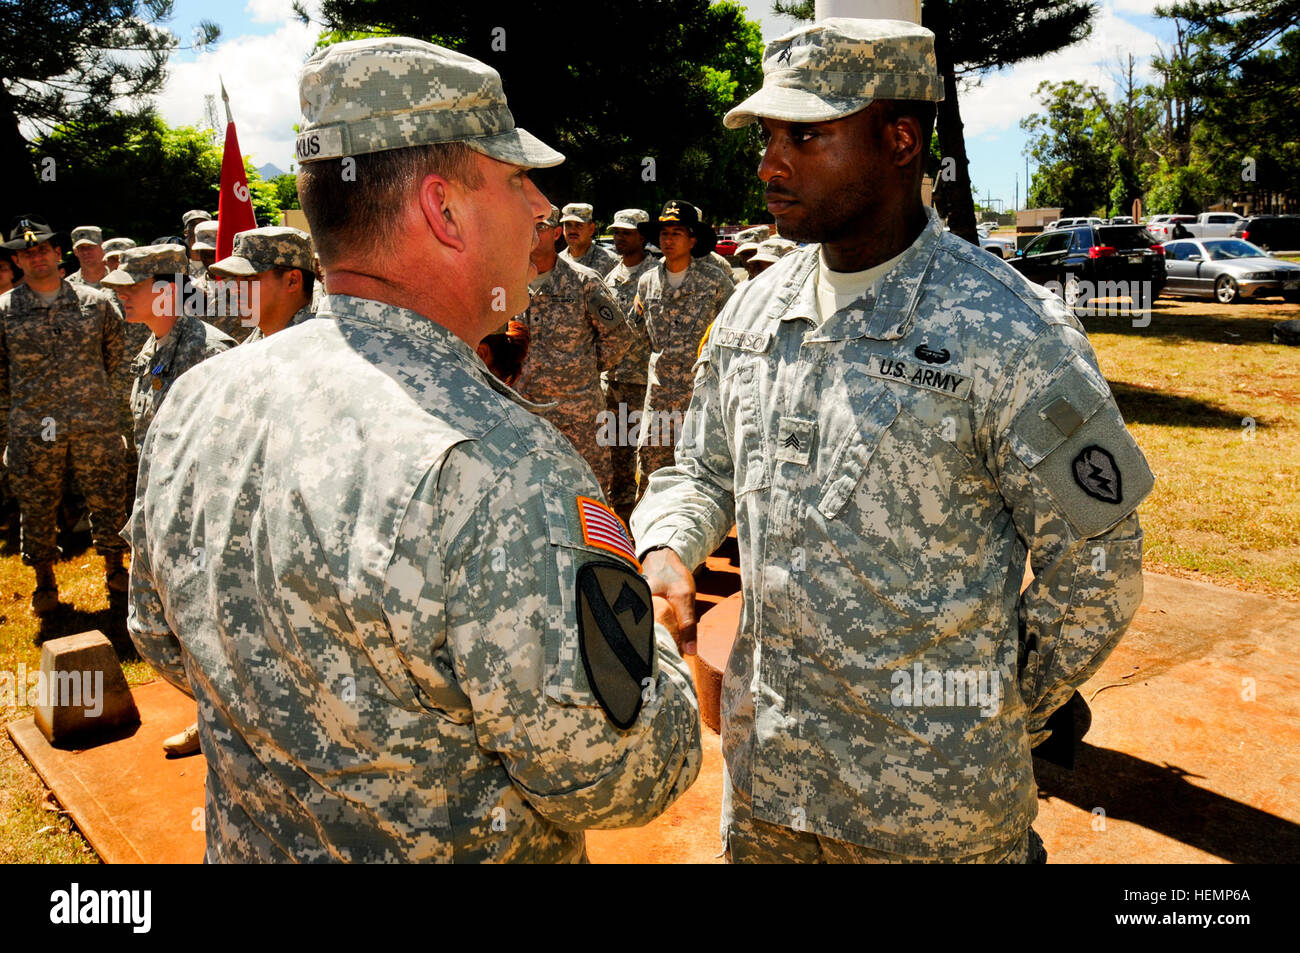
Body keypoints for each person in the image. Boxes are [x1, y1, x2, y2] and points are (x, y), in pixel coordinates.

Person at [123, 36, 700, 863]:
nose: (543, 206)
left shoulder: (201, 399)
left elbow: (161, 634)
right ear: (444, 208)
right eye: (515, 177)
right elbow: (615, 772)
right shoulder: (498, 463)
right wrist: (662, 649)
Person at [631, 18, 1154, 864]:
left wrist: (990, 704)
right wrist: (666, 547)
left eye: (806, 135)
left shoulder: (1010, 333)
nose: (770, 163)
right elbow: (700, 469)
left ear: (900, 140)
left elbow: (1098, 562)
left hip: (932, 818)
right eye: (768, 136)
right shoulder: (751, 314)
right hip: (771, 797)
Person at [0, 215, 129, 615]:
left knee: (107, 499)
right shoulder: (4, 310)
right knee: (37, 504)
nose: (36, 257)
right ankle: (44, 581)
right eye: (26, 253)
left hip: (94, 421)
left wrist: (113, 413)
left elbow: (116, 359)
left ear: (57, 254)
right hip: (35, 427)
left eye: (42, 249)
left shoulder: (96, 302)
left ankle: (115, 569)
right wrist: (5, 435)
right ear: (18, 262)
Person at [514, 204, 635, 499]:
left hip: (577, 410)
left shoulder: (583, 280)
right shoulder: (509, 280)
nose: (532, 233)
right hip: (526, 407)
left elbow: (619, 335)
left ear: (556, 234)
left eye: (541, 227)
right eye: (528, 225)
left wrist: (584, 368)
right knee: (532, 489)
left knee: (590, 489)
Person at [632, 200, 734, 492]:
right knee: (651, 470)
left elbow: (730, 333)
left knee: (701, 473)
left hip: (701, 395)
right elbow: (637, 335)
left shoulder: (715, 281)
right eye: (664, 233)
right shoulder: (647, 282)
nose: (668, 239)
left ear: (692, 240)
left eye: (677, 232)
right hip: (659, 396)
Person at [601, 208, 656, 521]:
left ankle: (648, 521)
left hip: (644, 383)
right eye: (616, 232)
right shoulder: (611, 276)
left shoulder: (654, 275)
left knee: (649, 456)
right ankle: (621, 522)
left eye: (626, 232)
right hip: (613, 381)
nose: (619, 238)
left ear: (642, 237)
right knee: (617, 455)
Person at [206, 226, 315, 343]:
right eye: (235, 278)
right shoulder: (250, 346)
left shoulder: (321, 347)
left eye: (249, 278)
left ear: (292, 281)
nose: (234, 289)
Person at [559, 202, 618, 275]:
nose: (572, 230)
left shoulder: (610, 262)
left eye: (579, 225)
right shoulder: (558, 261)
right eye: (568, 225)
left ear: (591, 229)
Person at [181, 210, 212, 282]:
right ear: (186, 232)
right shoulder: (178, 263)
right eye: (193, 225)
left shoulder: (217, 262)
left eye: (204, 224)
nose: (198, 228)